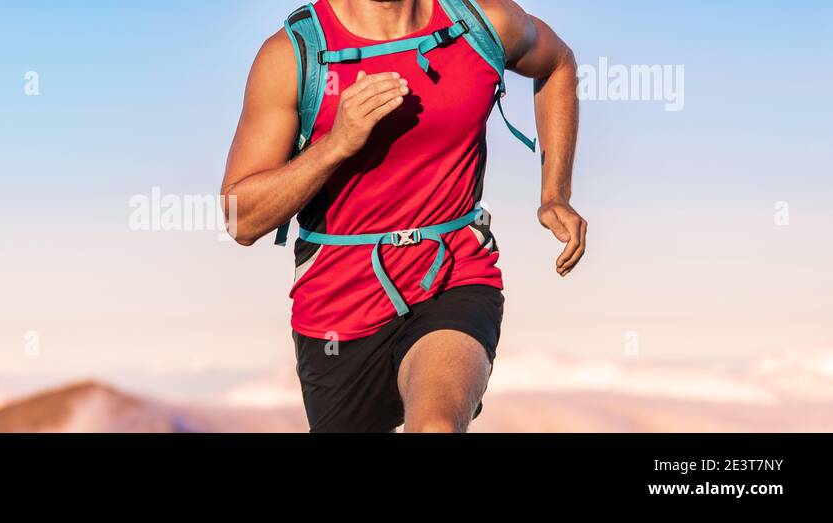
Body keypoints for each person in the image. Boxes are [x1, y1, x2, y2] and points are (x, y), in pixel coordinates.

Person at [221, 0, 584, 433]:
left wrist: (555, 192)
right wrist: (336, 145)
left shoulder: (481, 22)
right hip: (338, 304)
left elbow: (558, 63)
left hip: (452, 274)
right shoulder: (294, 54)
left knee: (436, 426)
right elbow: (240, 220)